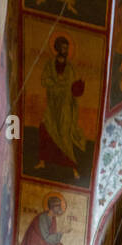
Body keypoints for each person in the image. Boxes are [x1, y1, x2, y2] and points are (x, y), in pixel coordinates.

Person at [36, 35, 86, 173]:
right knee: (45, 127)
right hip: (52, 104)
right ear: (57, 48)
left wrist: (78, 87)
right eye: (63, 47)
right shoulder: (50, 64)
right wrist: (57, 85)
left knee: (65, 134)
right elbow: (44, 80)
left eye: (67, 48)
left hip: (65, 106)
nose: (66, 50)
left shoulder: (70, 68)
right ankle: (42, 161)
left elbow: (72, 89)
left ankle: (73, 166)